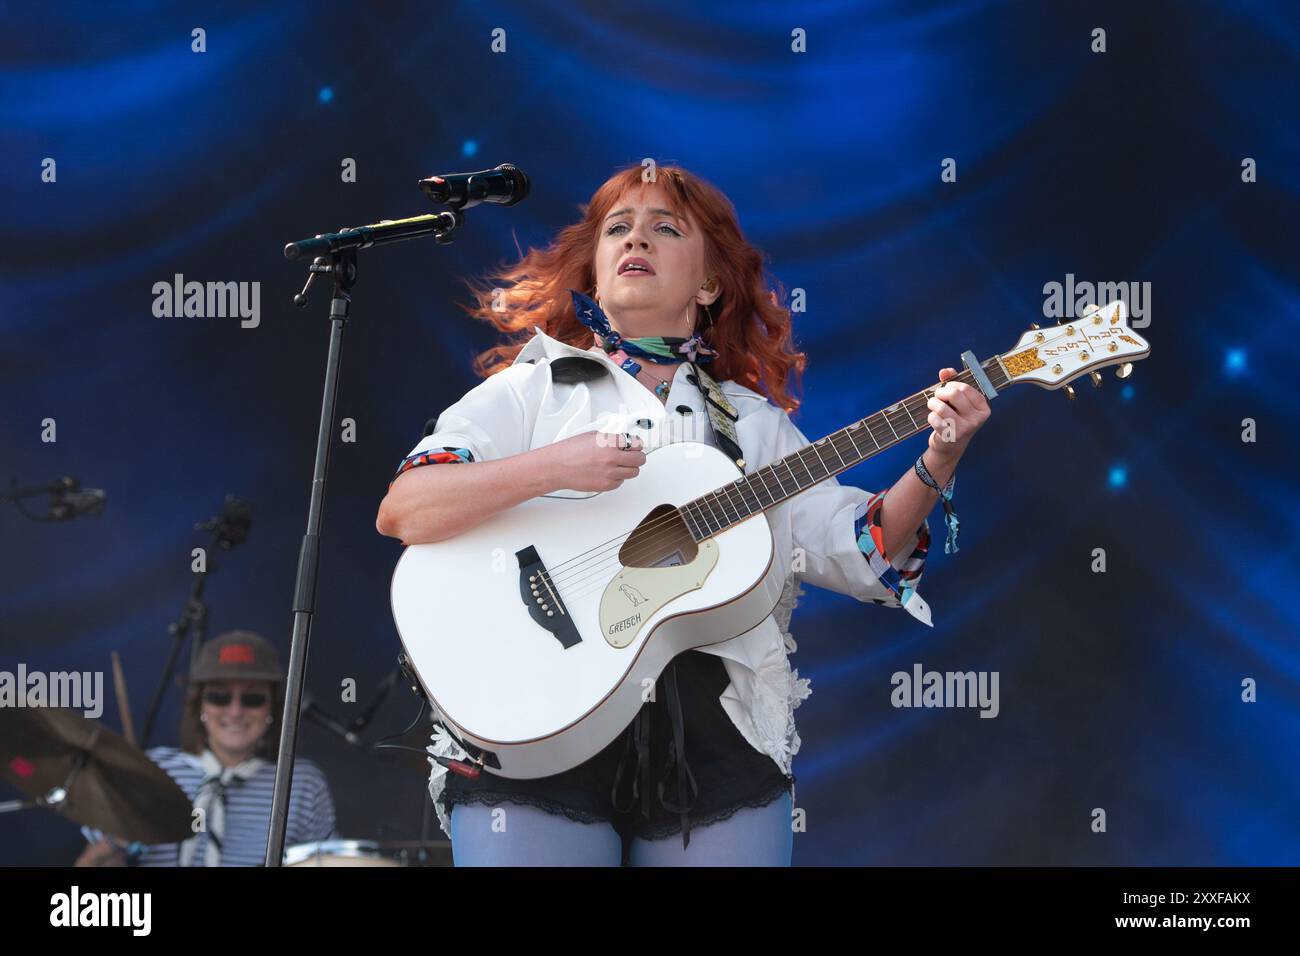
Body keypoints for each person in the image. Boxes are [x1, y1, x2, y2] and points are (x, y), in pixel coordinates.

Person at [376, 163, 991, 866]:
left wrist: (940, 456)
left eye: (665, 227)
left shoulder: (752, 425)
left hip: (714, 740)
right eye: (617, 227)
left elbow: (862, 548)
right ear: (596, 275)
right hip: (534, 717)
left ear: (708, 283)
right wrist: (553, 466)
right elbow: (407, 508)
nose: (636, 237)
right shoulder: (533, 390)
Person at [75, 630, 336, 866]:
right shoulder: (152, 769)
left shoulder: (301, 782)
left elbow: (331, 863)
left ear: (272, 709)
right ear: (200, 705)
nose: (235, 711)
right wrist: (117, 840)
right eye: (220, 696)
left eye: (253, 698)